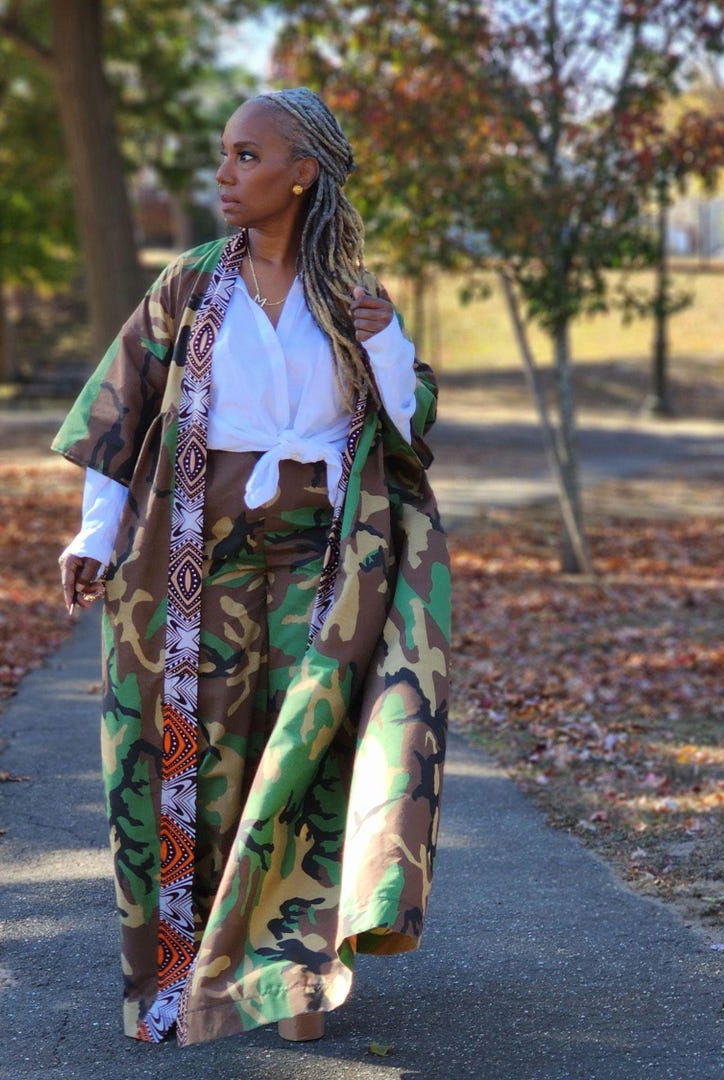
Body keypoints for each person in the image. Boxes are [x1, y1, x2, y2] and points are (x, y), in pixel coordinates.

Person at [53, 87, 451, 1048]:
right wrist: (92, 536)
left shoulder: (349, 297)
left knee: (303, 749)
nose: (225, 175)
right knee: (200, 751)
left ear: (302, 172)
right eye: (225, 155)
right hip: (198, 551)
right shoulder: (190, 284)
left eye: (246, 156)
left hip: (324, 555)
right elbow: (117, 415)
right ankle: (194, 967)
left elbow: (410, 427)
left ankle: (292, 976)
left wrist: (387, 339)